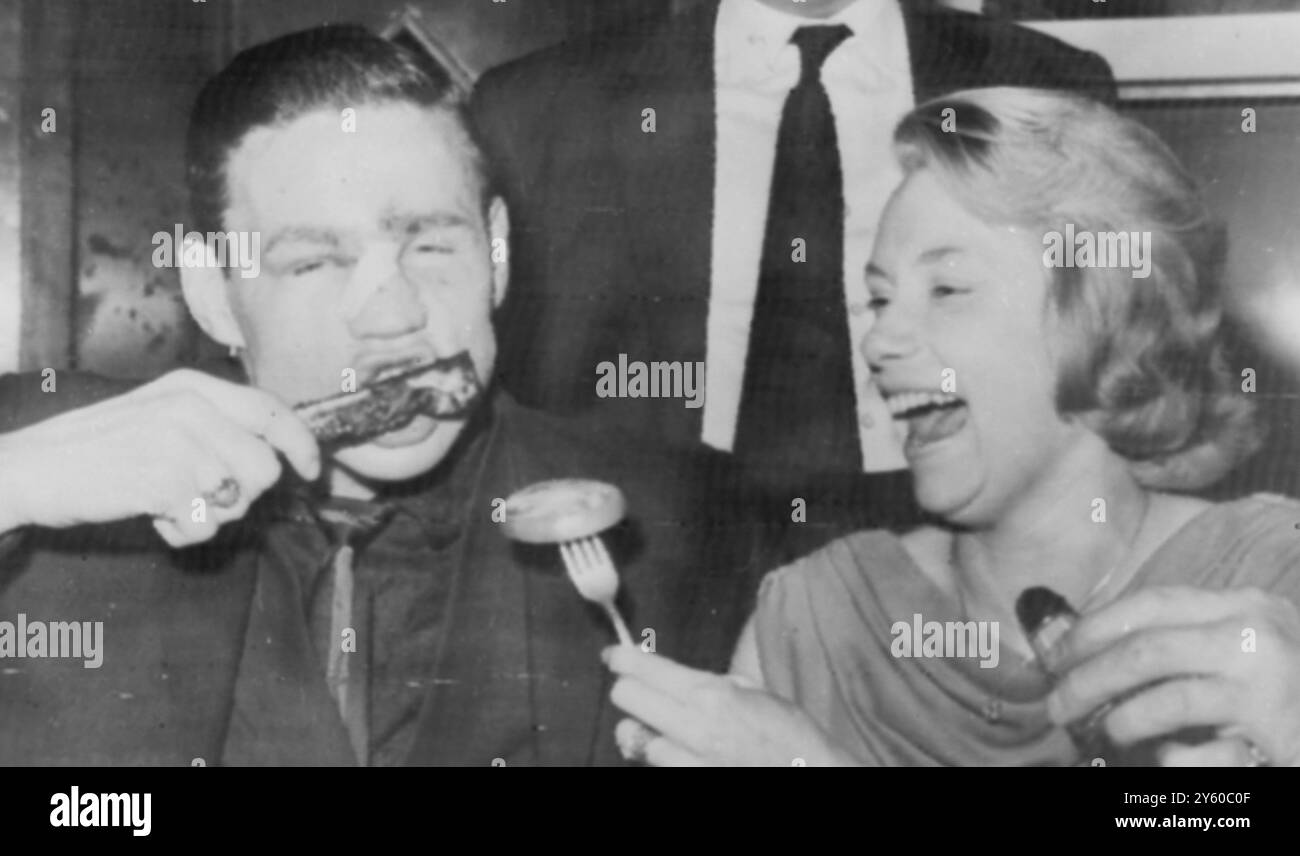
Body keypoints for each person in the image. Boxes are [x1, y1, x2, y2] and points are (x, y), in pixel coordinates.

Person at [0, 25, 758, 766]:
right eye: (315, 263)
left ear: (496, 254)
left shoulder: (675, 523)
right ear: (213, 292)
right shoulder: (44, 473)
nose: (395, 314)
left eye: (430, 245)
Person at [602, 87, 1300, 767]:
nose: (878, 341)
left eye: (946, 289)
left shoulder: (1272, 585)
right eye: (878, 298)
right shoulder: (816, 623)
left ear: (1102, 312)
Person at [473, 0, 1116, 556]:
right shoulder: (538, 110)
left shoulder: (1048, 89)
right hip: (645, 573)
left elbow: (1107, 368)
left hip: (950, 568)